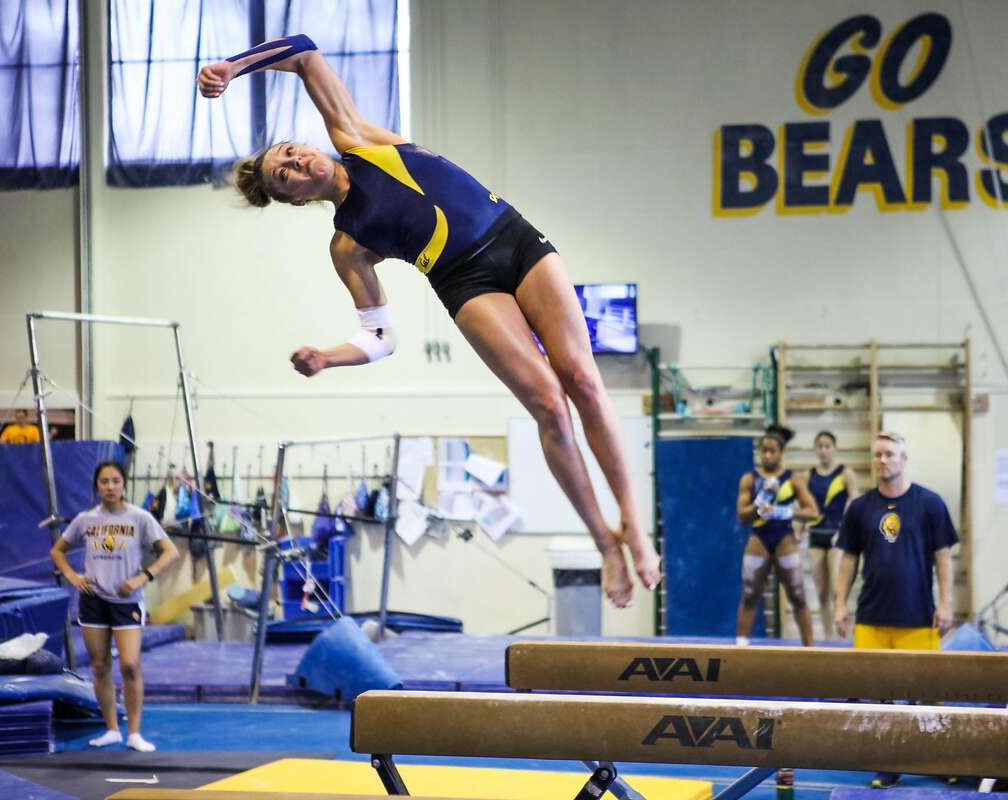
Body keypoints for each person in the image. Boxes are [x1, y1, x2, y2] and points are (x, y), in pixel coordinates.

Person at [196, 34, 659, 607]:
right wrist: (328, 357)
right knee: (547, 405)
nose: (294, 162)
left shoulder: (356, 138)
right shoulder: (348, 245)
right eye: (284, 176)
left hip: (514, 239)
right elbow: (381, 335)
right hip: (464, 281)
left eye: (289, 152)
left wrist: (235, 68)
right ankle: (605, 543)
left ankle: (633, 525)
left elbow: (305, 53)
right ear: (292, 200)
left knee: (583, 379)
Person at [833, 431, 958, 788]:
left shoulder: (929, 503)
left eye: (890, 454)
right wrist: (840, 604)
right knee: (878, 696)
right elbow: (848, 561)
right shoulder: (860, 508)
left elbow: (943, 557)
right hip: (872, 617)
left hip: (918, 616)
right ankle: (888, 763)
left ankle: (940, 759)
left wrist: (947, 603)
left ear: (904, 460)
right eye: (877, 455)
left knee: (932, 694)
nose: (883, 460)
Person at [51, 461, 180, 752]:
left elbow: (169, 552)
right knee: (98, 665)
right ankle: (111, 728)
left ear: (123, 484)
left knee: (130, 665)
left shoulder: (140, 517)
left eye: (115, 481)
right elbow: (58, 550)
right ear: (97, 486)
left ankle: (134, 732)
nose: (110, 487)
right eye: (104, 481)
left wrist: (143, 576)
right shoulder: (86, 519)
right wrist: (72, 575)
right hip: (93, 600)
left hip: (126, 601)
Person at [734, 426, 819, 646]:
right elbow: (742, 516)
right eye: (764, 451)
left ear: (781, 453)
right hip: (759, 537)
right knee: (750, 594)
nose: (768, 455)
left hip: (784, 537)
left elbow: (812, 511)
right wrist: (761, 501)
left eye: (773, 451)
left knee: (797, 594)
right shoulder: (749, 479)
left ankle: (810, 650)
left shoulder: (793, 480)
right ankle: (741, 645)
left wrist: (783, 512)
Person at [805, 431, 858, 639]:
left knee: (838, 591)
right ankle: (828, 637)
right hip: (816, 535)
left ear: (835, 449)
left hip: (837, 536)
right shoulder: (810, 475)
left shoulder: (846, 474)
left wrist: (846, 530)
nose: (824, 450)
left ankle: (844, 634)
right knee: (821, 593)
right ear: (815, 450)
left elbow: (854, 502)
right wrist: (799, 530)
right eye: (820, 446)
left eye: (828, 446)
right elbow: (804, 504)